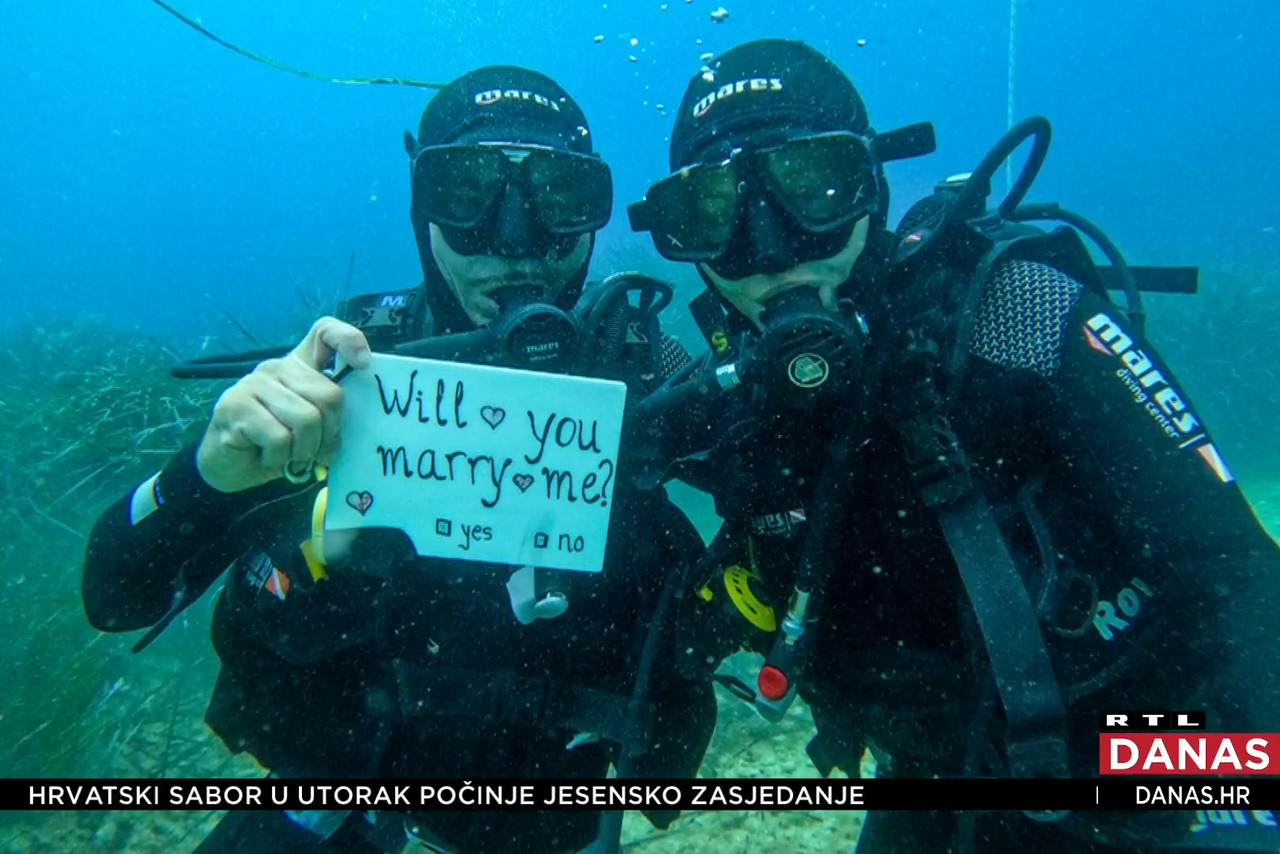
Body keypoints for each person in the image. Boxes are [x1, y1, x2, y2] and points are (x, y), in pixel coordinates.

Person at [629, 39, 1280, 852]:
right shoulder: (729, 403)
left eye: (811, 186)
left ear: (870, 186)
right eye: (713, 211)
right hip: (936, 776)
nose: (772, 248)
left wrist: (1239, 798)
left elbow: (1235, 574)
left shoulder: (1018, 316)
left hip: (1134, 766)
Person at [82, 65, 716, 854]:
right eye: (465, 192)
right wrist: (206, 475)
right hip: (324, 810)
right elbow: (114, 596)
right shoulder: (342, 371)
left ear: (592, 217)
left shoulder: (651, 379)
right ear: (423, 210)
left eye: (557, 197)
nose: (515, 242)